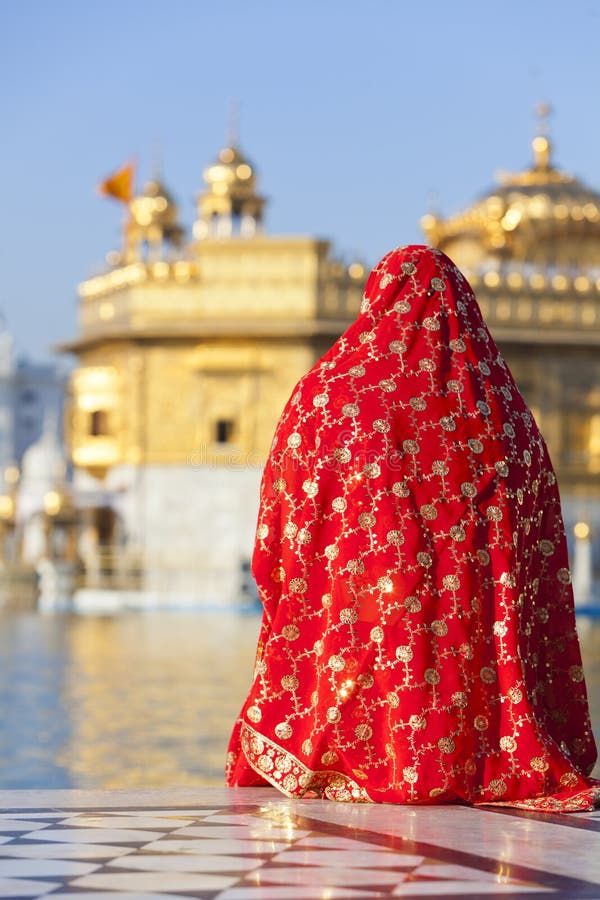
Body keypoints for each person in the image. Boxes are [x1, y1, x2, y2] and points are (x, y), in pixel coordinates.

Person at [226, 244, 600, 811]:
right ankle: (467, 757)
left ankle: (360, 755)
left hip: (370, 602)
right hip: (471, 622)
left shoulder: (334, 391)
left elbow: (288, 505)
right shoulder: (502, 405)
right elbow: (535, 534)